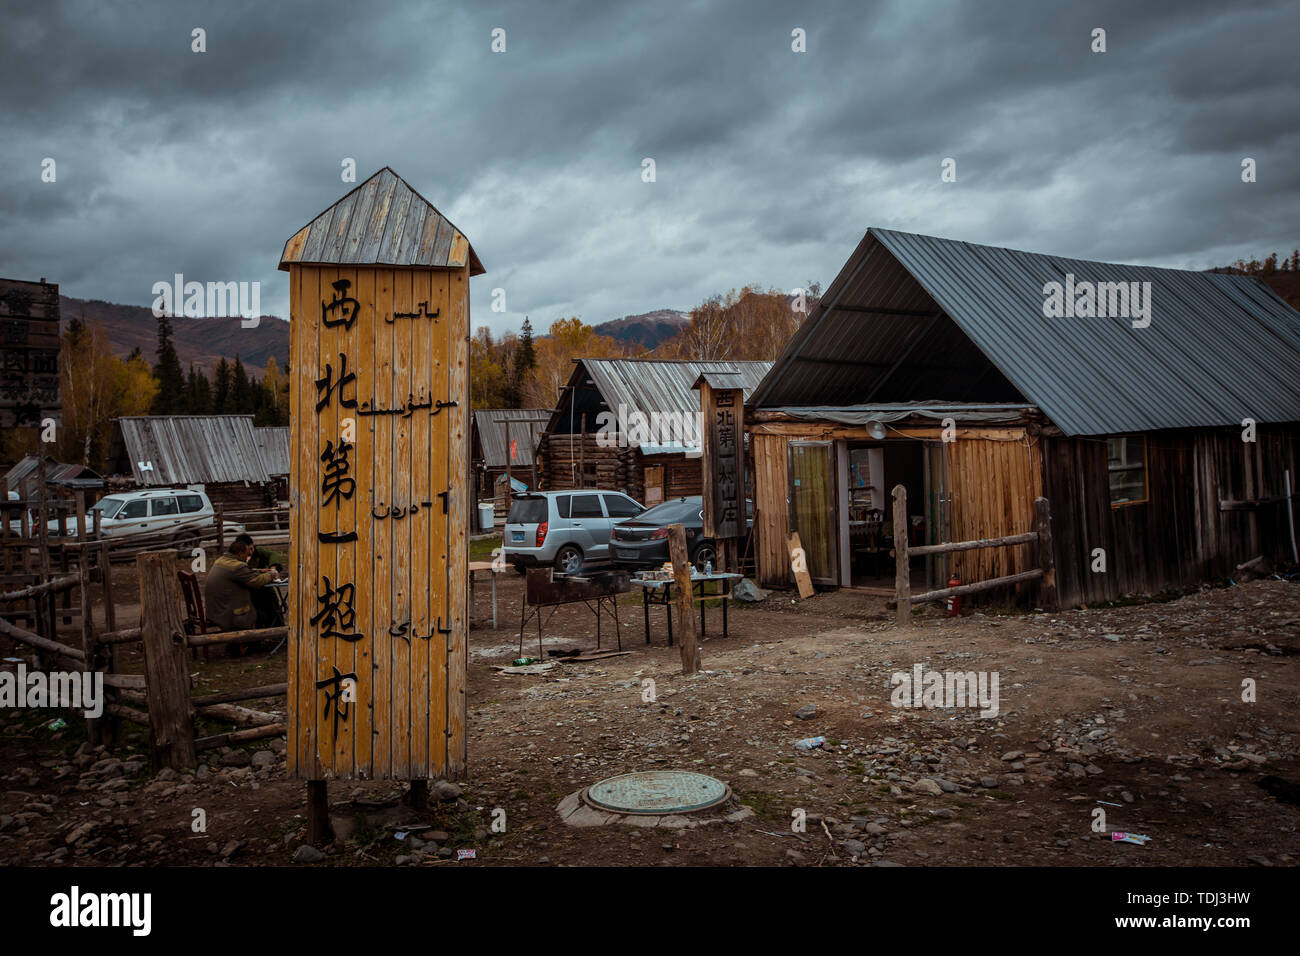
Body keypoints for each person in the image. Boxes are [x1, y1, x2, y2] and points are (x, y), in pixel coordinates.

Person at [204, 533, 283, 631]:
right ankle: (260, 636)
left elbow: (240, 573)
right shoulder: (237, 566)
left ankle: (270, 628)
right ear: (240, 553)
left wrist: (258, 571)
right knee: (263, 601)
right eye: (246, 554)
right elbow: (256, 581)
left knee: (264, 597)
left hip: (217, 608)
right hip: (227, 611)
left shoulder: (222, 560)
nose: (248, 557)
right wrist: (272, 574)